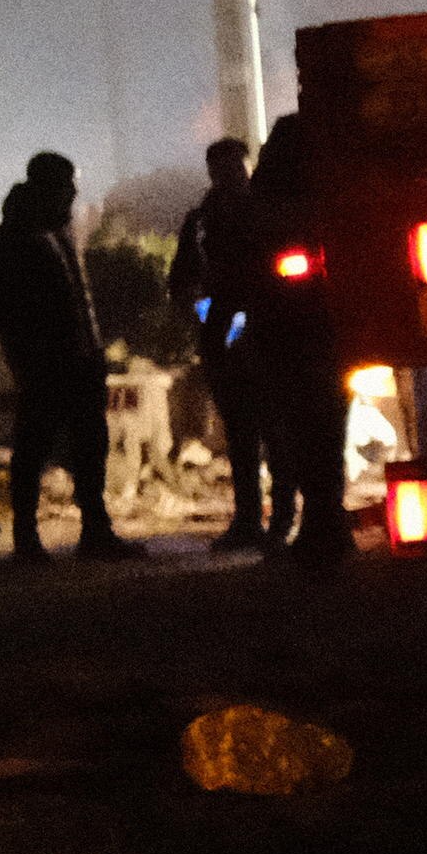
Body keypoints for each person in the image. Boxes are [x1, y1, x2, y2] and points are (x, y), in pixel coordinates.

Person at [0, 148, 130, 560]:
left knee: (90, 445)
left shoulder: (57, 231)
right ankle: (27, 538)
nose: (73, 193)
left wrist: (93, 349)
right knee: (34, 446)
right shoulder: (17, 237)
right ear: (49, 186)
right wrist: (27, 363)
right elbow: (11, 310)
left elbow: (77, 299)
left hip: (80, 360)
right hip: (46, 364)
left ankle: (95, 531)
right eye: (67, 184)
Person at [246, 116, 354, 567]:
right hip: (321, 338)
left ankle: (318, 525)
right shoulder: (322, 191)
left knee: (299, 435)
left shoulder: (265, 198)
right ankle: (324, 525)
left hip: (284, 342)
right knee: (324, 433)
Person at [168, 136, 280, 549]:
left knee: (275, 430)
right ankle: (251, 520)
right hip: (227, 339)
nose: (233, 177)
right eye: (224, 170)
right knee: (241, 433)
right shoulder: (200, 222)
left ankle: (280, 518)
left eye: (238, 168)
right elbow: (181, 281)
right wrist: (209, 318)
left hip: (267, 334)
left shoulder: (265, 213)